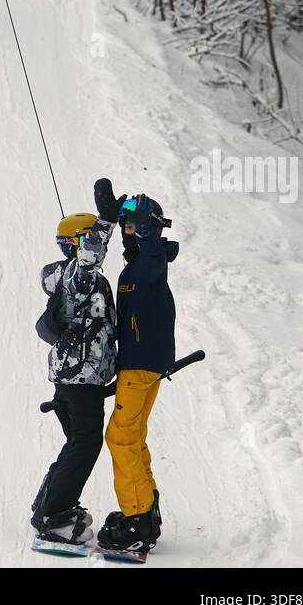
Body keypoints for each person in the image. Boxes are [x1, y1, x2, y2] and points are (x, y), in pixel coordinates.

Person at [30, 178, 120, 555]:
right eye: (89, 243)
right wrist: (105, 222)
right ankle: (54, 515)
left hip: (81, 377)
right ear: (79, 244)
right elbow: (88, 261)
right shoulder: (74, 278)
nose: (96, 252)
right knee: (85, 443)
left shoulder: (76, 279)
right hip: (79, 378)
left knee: (78, 443)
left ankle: (47, 506)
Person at [97, 192, 179, 561]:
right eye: (127, 227)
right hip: (143, 363)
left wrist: (146, 229)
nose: (130, 232)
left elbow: (151, 249)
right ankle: (145, 510)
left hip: (143, 363)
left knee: (120, 437)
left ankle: (136, 522)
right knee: (133, 436)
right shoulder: (136, 267)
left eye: (137, 227)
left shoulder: (150, 261)